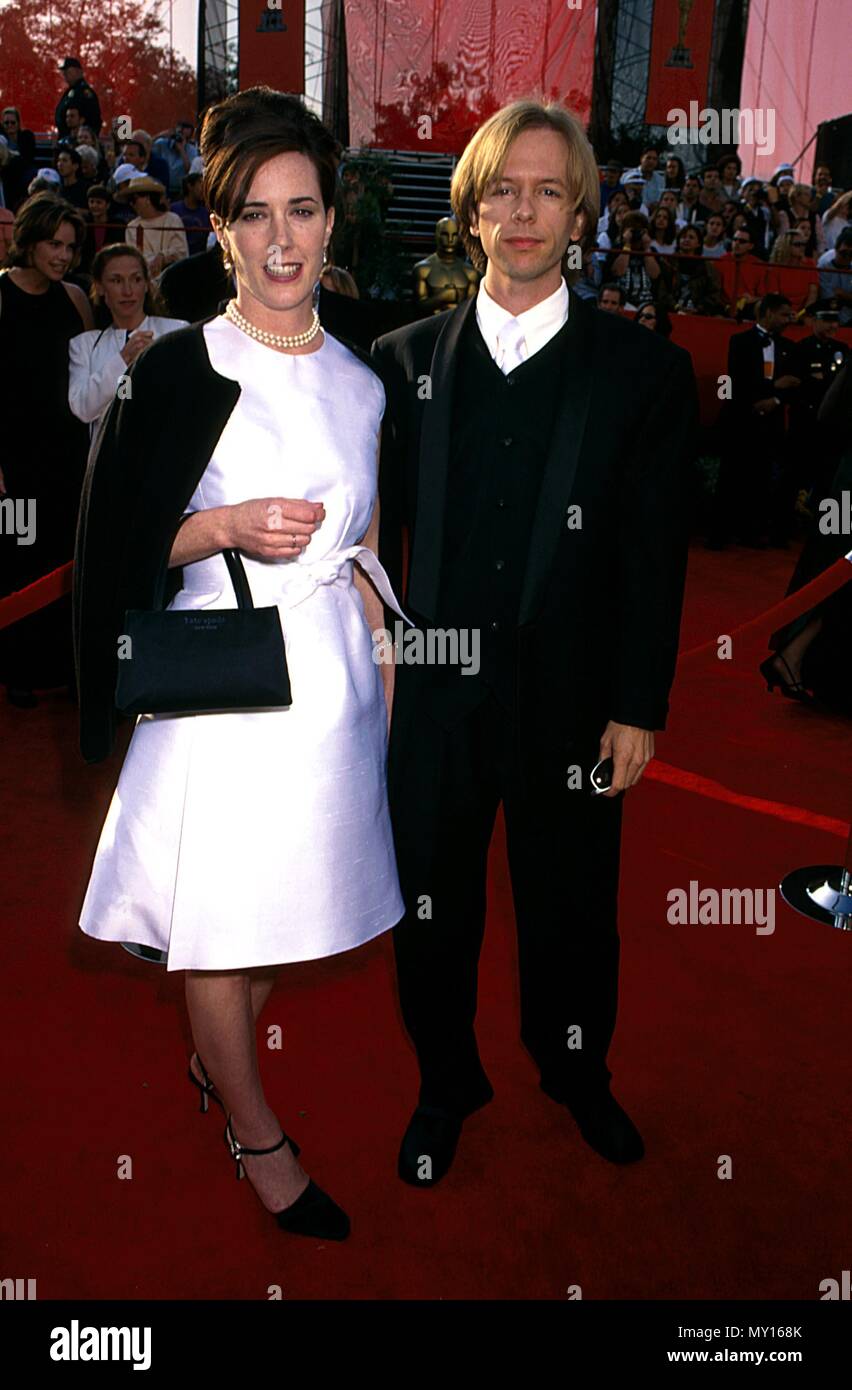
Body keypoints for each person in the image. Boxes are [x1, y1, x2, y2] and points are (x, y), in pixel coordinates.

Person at [73, 86, 408, 1242]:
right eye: (254, 214)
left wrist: (383, 632)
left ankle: (224, 1071)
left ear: (329, 222)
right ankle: (254, 1128)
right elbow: (112, 550)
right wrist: (218, 526)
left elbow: (368, 537)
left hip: (333, 682)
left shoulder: (367, 377)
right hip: (221, 682)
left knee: (285, 910)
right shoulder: (174, 372)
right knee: (221, 921)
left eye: (302, 211)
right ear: (218, 230)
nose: (280, 239)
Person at [372, 98, 698, 1187]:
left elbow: (657, 558)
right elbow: (367, 539)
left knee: (571, 912)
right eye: (503, 188)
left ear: (580, 214)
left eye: (548, 190)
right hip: (434, 700)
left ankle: (576, 1074)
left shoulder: (641, 374)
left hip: (575, 703)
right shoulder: (399, 363)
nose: (524, 210)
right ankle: (442, 1083)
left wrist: (641, 703)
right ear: (471, 210)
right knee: (433, 910)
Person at [0, 194, 92, 707]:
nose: (61, 255)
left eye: (70, 246)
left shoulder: (75, 299)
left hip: (66, 455)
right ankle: (16, 668)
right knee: (16, 557)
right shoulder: (0, 295)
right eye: (53, 243)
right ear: (31, 239)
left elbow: (90, 377)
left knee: (64, 553)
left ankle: (64, 666)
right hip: (15, 461)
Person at [708, 293, 797, 548]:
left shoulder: (788, 347)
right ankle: (720, 534)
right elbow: (736, 380)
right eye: (784, 314)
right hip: (741, 421)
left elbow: (794, 384)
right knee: (731, 478)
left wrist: (775, 400)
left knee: (760, 480)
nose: (789, 319)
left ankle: (751, 533)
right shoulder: (739, 341)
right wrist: (772, 385)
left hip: (770, 424)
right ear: (768, 313)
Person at [69, 244, 187, 435]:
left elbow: (187, 400)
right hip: (109, 460)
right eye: (116, 281)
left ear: (147, 285)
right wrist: (122, 359)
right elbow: (83, 408)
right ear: (100, 287)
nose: (128, 291)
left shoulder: (177, 331)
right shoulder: (84, 345)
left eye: (136, 279)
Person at [121, 175, 189, 273]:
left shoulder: (173, 219)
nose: (131, 204)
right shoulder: (132, 226)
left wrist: (163, 257)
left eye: (133, 199)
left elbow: (181, 251)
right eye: (129, 200)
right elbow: (135, 257)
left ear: (147, 198)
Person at [768, 230, 819, 315]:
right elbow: (775, 296)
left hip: (804, 311)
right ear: (786, 246)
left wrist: (802, 314)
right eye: (797, 245)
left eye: (803, 244)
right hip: (780, 311)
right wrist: (788, 314)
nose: (802, 247)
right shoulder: (775, 268)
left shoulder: (809, 264)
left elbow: (813, 293)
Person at [55, 58, 101, 140]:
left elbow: (93, 119)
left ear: (78, 72)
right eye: (64, 72)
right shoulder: (70, 91)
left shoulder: (84, 93)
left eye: (68, 71)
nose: (64, 74)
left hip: (79, 141)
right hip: (66, 139)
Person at [169, 172, 211, 255]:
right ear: (190, 186)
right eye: (200, 184)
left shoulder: (206, 212)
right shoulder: (173, 209)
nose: (203, 189)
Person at [151, 121, 199, 196]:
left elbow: (189, 171)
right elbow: (145, 149)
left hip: (180, 191)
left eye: (186, 137)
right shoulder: (162, 144)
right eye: (180, 134)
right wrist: (160, 135)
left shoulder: (191, 150)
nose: (181, 138)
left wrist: (182, 150)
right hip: (161, 188)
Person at [816, 227, 852, 325]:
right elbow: (828, 299)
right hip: (829, 318)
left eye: (851, 254)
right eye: (844, 253)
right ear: (836, 249)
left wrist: (842, 294)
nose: (847, 257)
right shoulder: (824, 268)